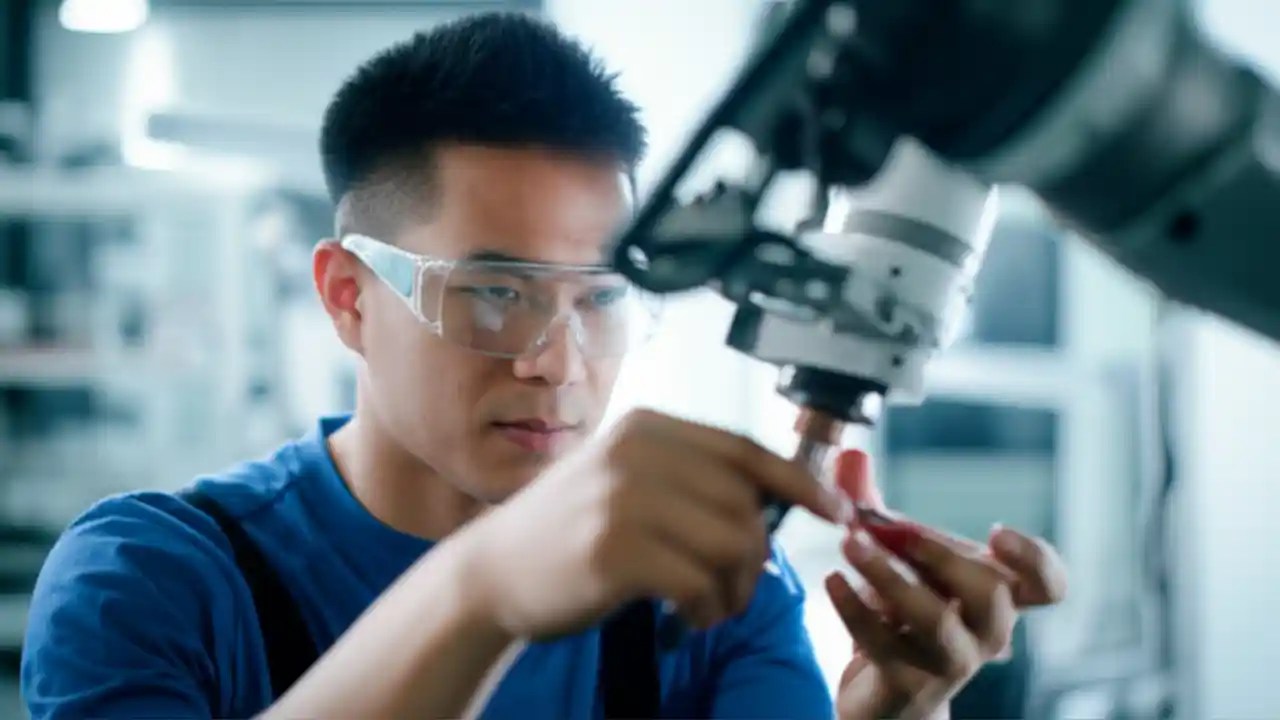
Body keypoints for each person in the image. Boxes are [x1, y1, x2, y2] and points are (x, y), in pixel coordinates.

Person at [20, 12, 1067, 719]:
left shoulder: (704, 600)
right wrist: (484, 592)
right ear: (347, 295)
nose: (559, 364)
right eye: (493, 292)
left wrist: (897, 706)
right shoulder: (153, 582)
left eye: (604, 299)